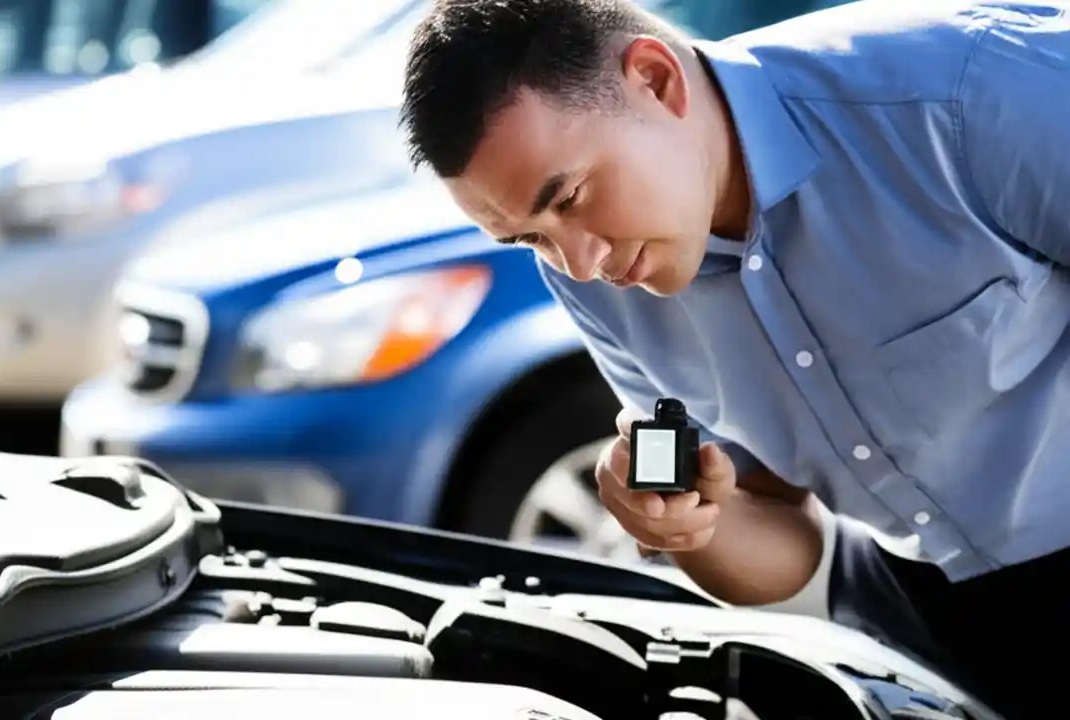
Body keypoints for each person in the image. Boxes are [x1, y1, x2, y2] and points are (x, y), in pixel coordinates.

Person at [398, 0, 1070, 716]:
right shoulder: (592, 275)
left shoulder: (968, 87)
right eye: (529, 238)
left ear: (656, 80)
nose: (578, 261)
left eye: (570, 198)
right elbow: (791, 541)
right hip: (915, 625)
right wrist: (693, 529)